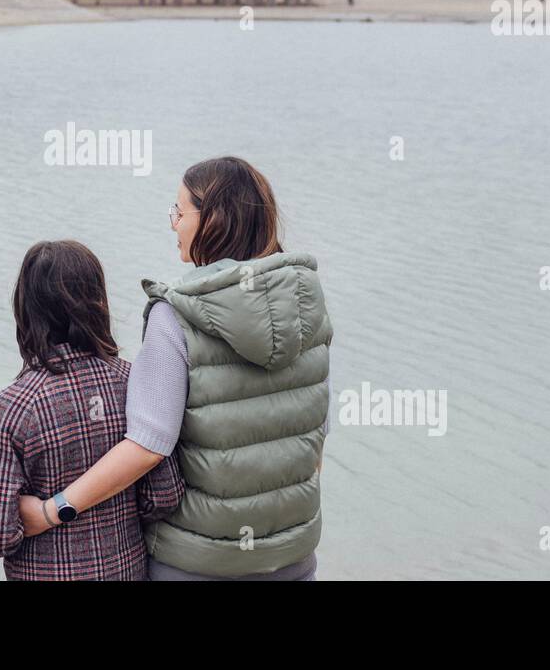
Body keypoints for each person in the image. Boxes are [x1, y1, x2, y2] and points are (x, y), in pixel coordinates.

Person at [18, 157, 332, 580]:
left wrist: (51, 511)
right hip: (293, 557)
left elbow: (147, 446)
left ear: (214, 220)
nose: (173, 223)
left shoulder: (176, 315)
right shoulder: (306, 305)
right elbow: (314, 444)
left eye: (180, 212)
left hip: (197, 564)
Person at [0, 240, 185, 580]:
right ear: (97, 303)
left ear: (25, 309)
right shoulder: (134, 382)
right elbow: (164, 496)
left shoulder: (11, 409)